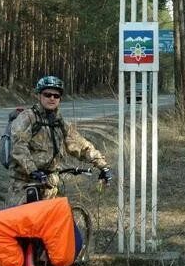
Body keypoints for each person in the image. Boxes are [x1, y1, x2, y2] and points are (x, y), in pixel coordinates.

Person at [8, 75, 113, 204]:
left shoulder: (59, 121)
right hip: (25, 185)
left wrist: (103, 165)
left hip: (50, 185)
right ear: (39, 95)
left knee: (62, 219)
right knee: (26, 223)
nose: (52, 98)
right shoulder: (27, 117)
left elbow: (79, 145)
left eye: (56, 96)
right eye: (47, 94)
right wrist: (33, 171)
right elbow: (18, 147)